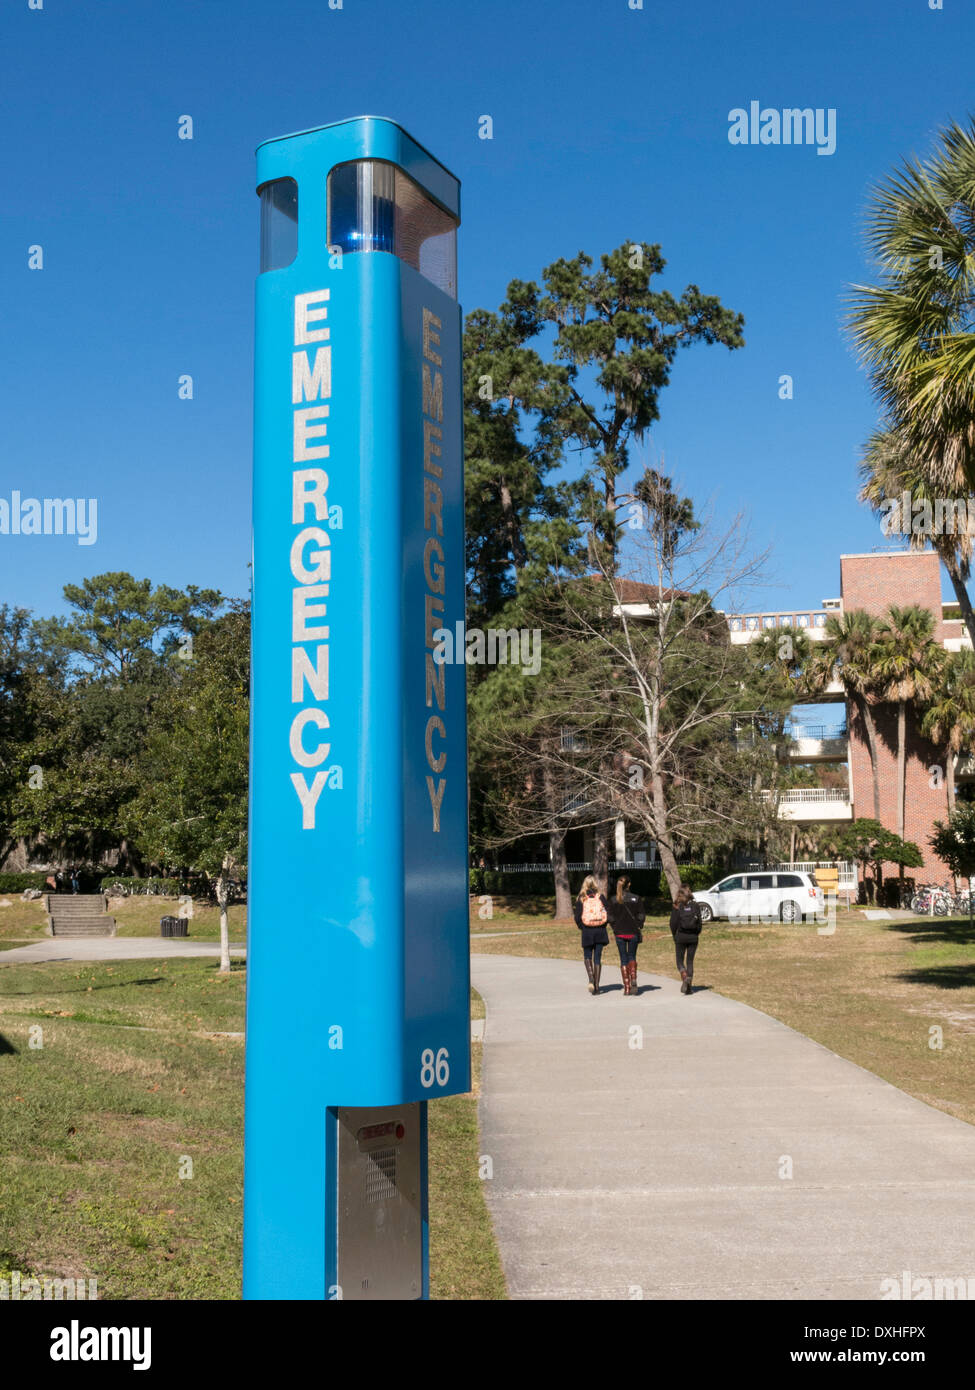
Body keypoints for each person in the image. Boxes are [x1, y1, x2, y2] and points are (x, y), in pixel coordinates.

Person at [608, 875, 645, 995]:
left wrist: (615, 927)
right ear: (629, 884)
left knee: (623, 959)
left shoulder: (614, 899)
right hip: (633, 932)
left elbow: (610, 917)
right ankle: (633, 977)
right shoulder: (636, 898)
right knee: (632, 956)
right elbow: (641, 915)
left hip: (620, 933)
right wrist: (639, 925)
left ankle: (627, 987)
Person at [573, 874, 610, 996]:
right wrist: (603, 925)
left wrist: (582, 927)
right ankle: (598, 987)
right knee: (598, 958)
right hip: (600, 930)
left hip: (587, 931)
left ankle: (591, 980)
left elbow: (577, 917)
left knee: (587, 955)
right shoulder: (601, 897)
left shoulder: (582, 898)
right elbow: (608, 912)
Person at [670, 884, 703, 994]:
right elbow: (699, 924)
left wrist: (675, 935)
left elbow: (673, 923)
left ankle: (685, 979)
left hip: (681, 936)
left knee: (679, 961)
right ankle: (689, 984)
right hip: (693, 937)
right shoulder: (695, 905)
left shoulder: (677, 906)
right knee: (690, 961)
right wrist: (696, 933)